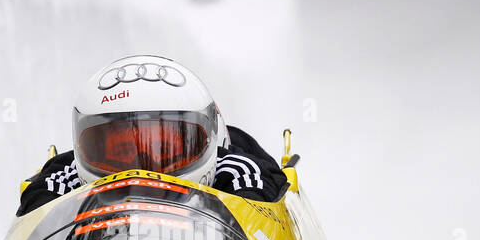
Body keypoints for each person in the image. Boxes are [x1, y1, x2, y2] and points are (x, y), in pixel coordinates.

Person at [17, 55, 288, 216]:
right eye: (121, 153)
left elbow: (256, 197)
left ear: (209, 142)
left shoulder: (240, 173)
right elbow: (39, 206)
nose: (141, 173)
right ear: (83, 149)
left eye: (164, 149)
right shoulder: (66, 176)